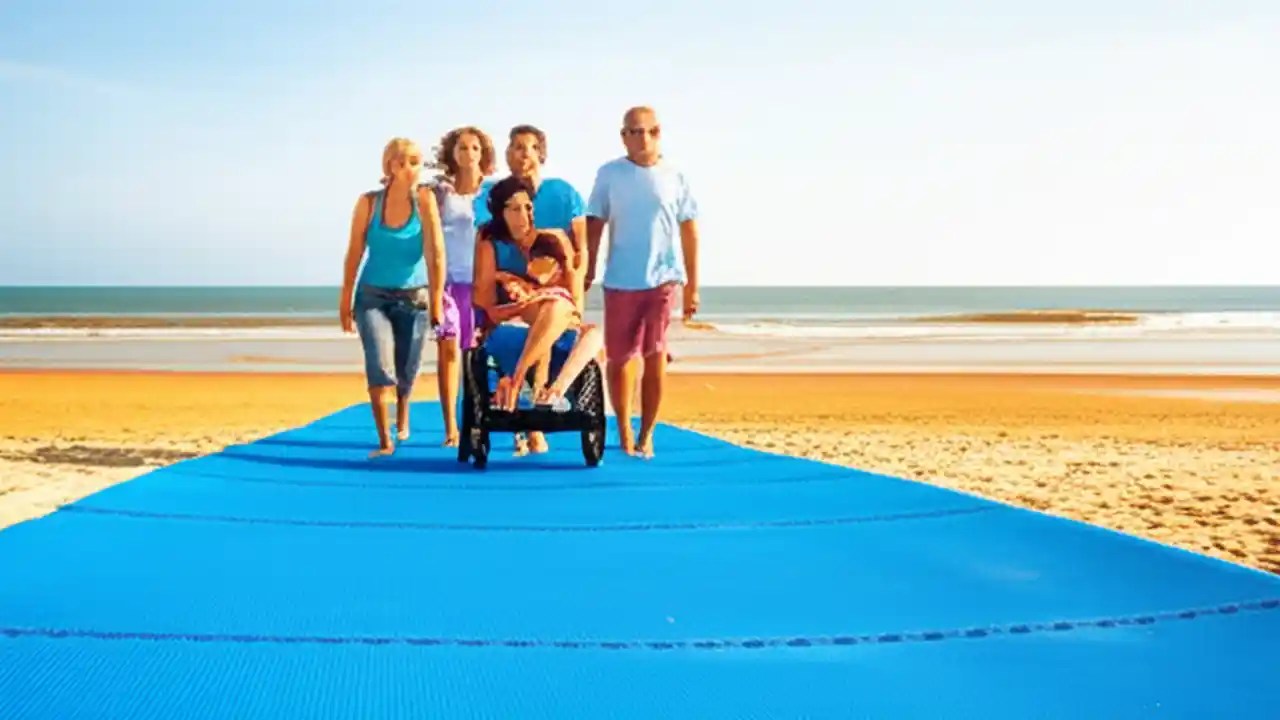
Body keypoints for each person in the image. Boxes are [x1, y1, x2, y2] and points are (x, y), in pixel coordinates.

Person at [585, 106, 700, 458]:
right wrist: (587, 269)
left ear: (658, 132)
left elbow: (689, 229)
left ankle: (647, 432)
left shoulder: (675, 175)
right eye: (633, 132)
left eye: (647, 131)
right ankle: (622, 428)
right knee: (619, 360)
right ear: (623, 136)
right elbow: (594, 222)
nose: (641, 138)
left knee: (655, 354)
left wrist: (693, 285)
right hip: (620, 279)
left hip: (663, 280)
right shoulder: (609, 174)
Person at [477, 125, 588, 452]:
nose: (522, 153)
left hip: (551, 292)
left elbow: (577, 260)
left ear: (541, 153)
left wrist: (576, 305)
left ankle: (534, 417)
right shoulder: (492, 196)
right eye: (515, 147)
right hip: (512, 295)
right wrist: (501, 279)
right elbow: (483, 243)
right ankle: (527, 417)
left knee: (552, 314)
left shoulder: (563, 195)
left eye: (529, 147)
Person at [340, 137, 446, 457]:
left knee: (407, 367)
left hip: (415, 298)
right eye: (401, 162)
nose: (409, 168)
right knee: (379, 362)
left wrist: (437, 300)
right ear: (389, 166)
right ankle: (384, 439)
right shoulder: (369, 203)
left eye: (415, 162)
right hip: (372, 296)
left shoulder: (425, 200)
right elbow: (355, 251)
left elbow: (436, 254)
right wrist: (345, 300)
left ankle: (403, 408)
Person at [473, 176, 604, 413]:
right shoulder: (490, 244)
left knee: (585, 328)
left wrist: (528, 291)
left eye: (528, 207)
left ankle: (551, 390)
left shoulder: (553, 239)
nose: (525, 215)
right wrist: (523, 303)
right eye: (514, 209)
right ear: (500, 213)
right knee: (551, 306)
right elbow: (487, 306)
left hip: (558, 321)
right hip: (513, 326)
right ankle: (524, 383)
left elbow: (573, 298)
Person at [422, 126, 497, 447]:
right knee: (449, 351)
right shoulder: (440, 193)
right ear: (452, 153)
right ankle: (451, 427)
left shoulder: (494, 192)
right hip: (450, 284)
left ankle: (486, 420)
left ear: (484, 154)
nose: (469, 154)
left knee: (483, 357)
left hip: (484, 284)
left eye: (475, 148)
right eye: (462, 148)